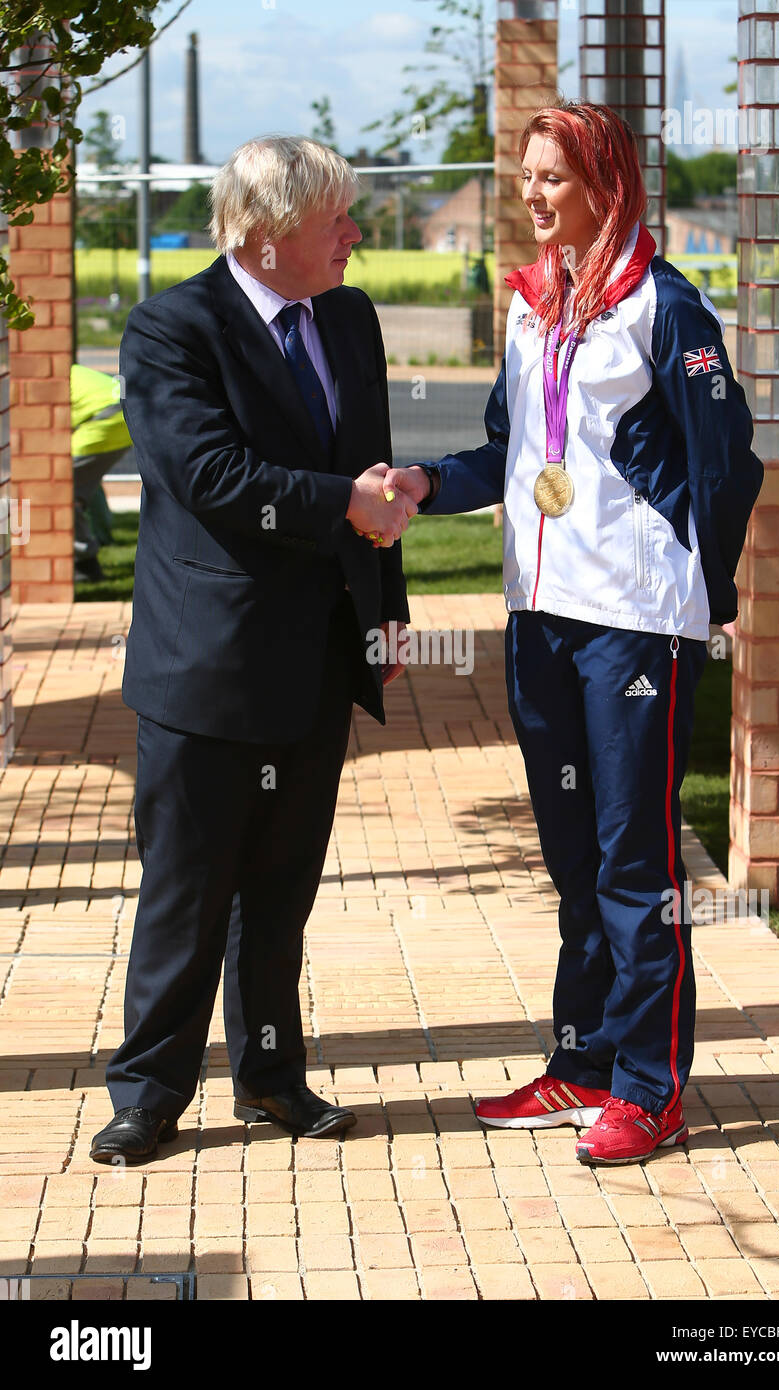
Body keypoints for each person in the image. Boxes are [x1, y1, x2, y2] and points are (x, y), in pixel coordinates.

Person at [384, 101, 763, 1166]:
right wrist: (424, 482)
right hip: (538, 617)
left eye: (551, 176)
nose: (531, 193)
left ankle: (650, 1086)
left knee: (633, 860)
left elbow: (726, 461)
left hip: (632, 625)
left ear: (604, 183)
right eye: (525, 174)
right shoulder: (532, 305)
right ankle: (584, 1062)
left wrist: (703, 586)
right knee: (572, 856)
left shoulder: (666, 307)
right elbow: (509, 453)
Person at [90, 136, 416, 1164]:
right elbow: (209, 475)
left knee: (281, 890)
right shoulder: (171, 327)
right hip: (209, 665)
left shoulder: (349, 317)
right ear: (267, 235)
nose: (354, 235)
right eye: (336, 220)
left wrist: (386, 609)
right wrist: (344, 503)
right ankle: (148, 1094)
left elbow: (372, 477)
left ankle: (272, 1078)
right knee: (187, 890)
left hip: (318, 654)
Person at [71, 363, 129, 582]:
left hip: (105, 419)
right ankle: (102, 536)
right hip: (120, 414)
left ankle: (84, 562)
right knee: (83, 483)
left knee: (61, 488)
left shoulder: (34, 379)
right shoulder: (62, 369)